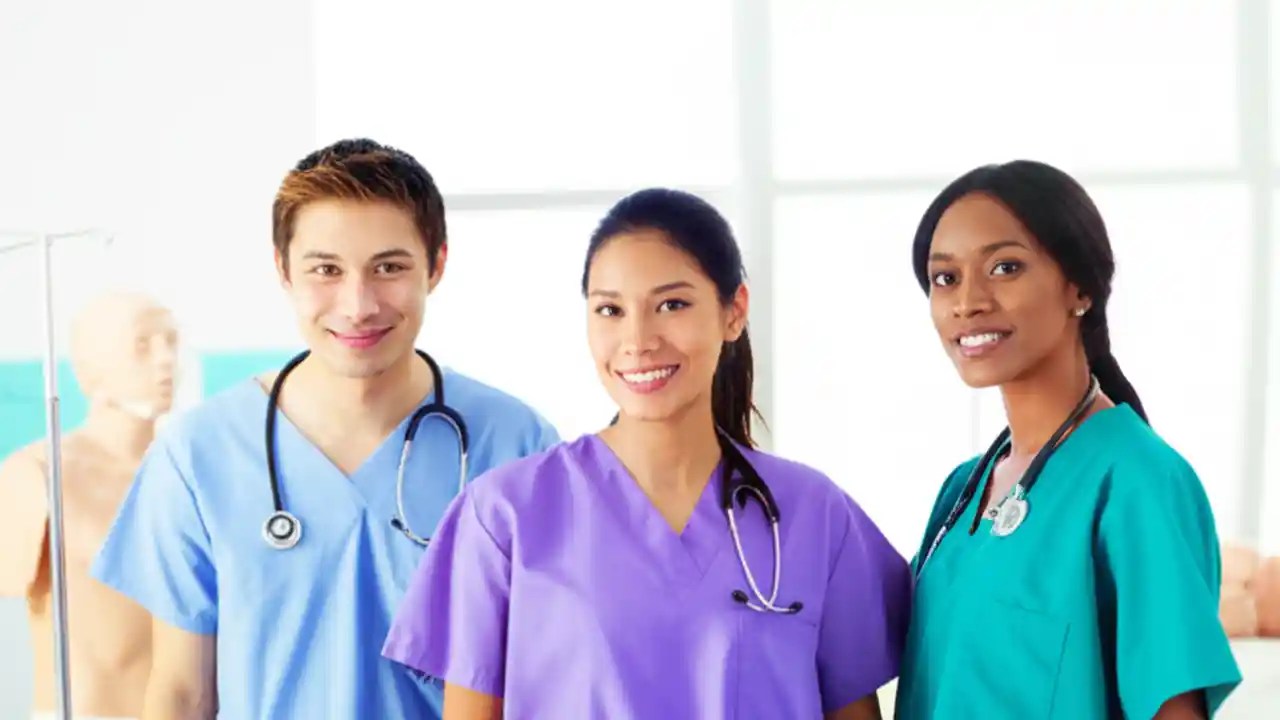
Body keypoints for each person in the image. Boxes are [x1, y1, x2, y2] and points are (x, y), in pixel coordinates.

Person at [382, 188, 912, 719]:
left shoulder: (813, 514)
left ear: (734, 312)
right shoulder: (504, 515)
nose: (637, 340)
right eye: (610, 310)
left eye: (672, 305)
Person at [90, 138, 560, 719]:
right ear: (283, 270)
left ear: (436, 265)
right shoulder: (200, 454)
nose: (358, 305)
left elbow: (549, 676)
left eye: (389, 268)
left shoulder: (516, 445)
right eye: (326, 270)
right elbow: (183, 693)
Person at [895, 160, 1242, 719]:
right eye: (945, 278)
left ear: (1080, 287)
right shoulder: (963, 490)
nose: (967, 301)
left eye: (1005, 267)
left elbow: (1173, 708)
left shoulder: (1138, 480)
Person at [0, 291, 178, 720]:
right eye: (142, 344)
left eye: (171, 341)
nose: (166, 359)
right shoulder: (37, 475)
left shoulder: (187, 476)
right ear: (89, 368)